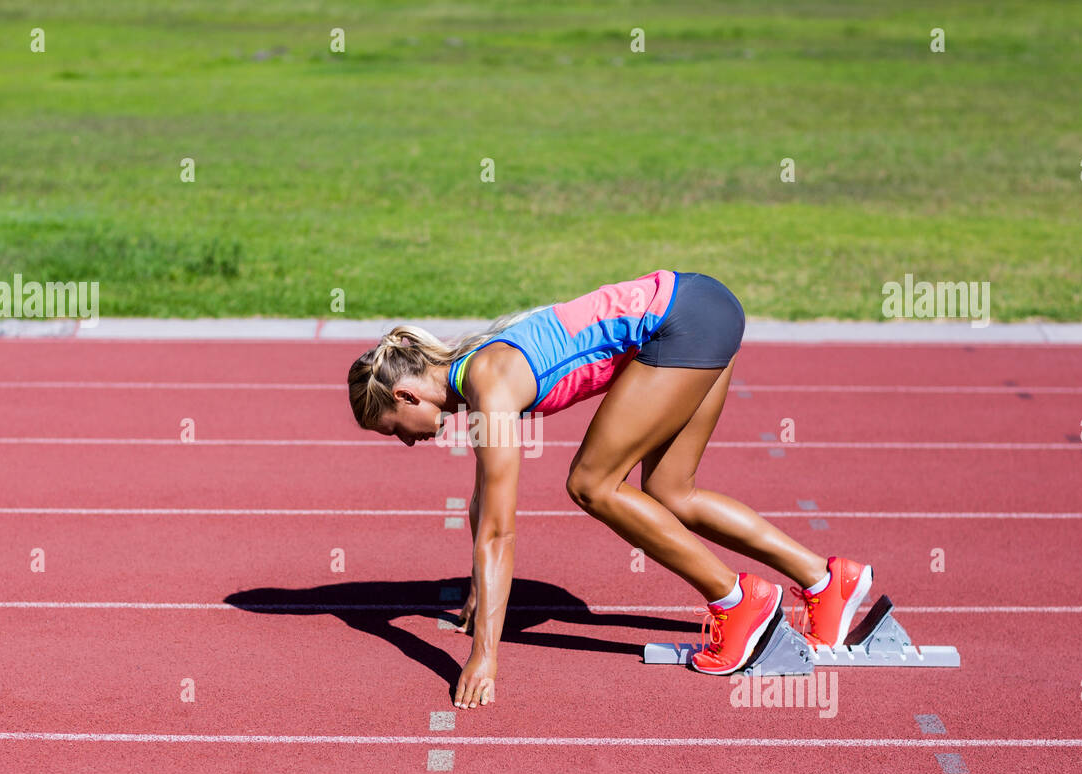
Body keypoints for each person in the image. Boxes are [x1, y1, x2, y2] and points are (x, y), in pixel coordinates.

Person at [347, 269, 872, 709]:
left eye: (393, 428)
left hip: (682, 323)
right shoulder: (477, 371)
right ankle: (827, 582)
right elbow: (484, 500)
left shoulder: (490, 382)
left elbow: (499, 533)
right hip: (704, 307)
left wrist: (485, 654)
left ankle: (738, 601)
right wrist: (478, 592)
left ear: (407, 394)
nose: (406, 443)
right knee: (670, 492)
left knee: (592, 484)